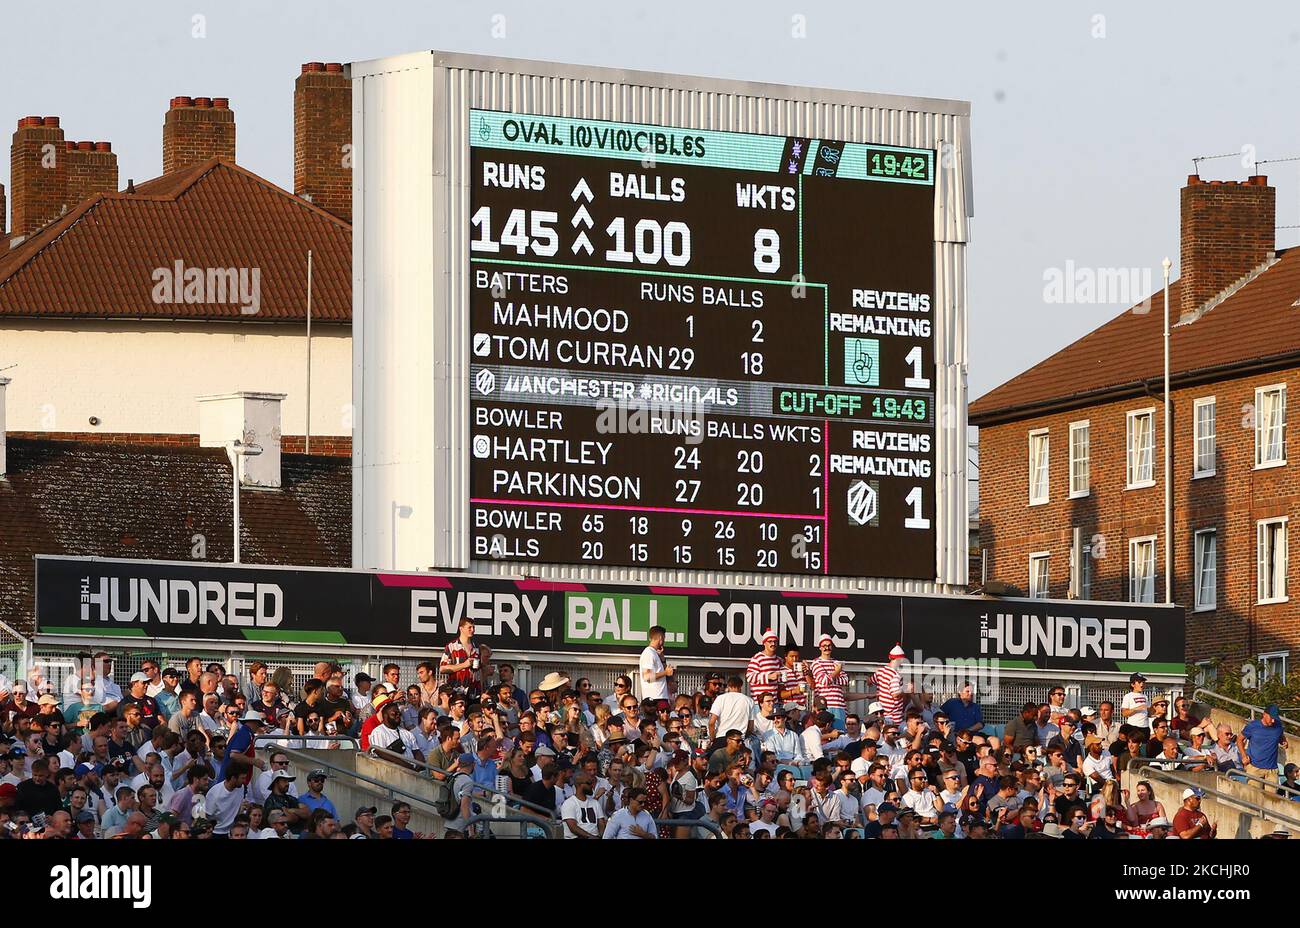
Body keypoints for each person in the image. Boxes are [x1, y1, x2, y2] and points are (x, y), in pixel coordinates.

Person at [1240, 704, 1288, 788]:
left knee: (1272, 798)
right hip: (1255, 768)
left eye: (1275, 718)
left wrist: (1284, 742)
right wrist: (1243, 755)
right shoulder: (1253, 726)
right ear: (1264, 714)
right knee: (1255, 796)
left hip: (1272, 770)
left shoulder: (1278, 726)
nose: (1273, 721)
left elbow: (1281, 737)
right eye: (1271, 718)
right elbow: (1239, 740)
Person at [440, 616, 487, 697]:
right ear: (461, 628)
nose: (472, 630)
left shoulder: (476, 648)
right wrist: (464, 665)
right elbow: (442, 668)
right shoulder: (452, 646)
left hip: (474, 692)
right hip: (456, 692)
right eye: (469, 627)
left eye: (473, 627)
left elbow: (479, 672)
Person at [561, 773, 605, 839]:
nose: (592, 785)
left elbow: (601, 823)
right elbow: (573, 828)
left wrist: (601, 836)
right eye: (589, 783)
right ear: (580, 785)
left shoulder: (595, 803)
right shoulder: (569, 803)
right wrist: (591, 837)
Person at [872, 644, 907, 726]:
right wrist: (906, 689)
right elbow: (895, 694)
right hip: (894, 716)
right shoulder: (895, 675)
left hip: (882, 713)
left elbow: (870, 681)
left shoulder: (880, 671)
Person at [746, 630, 784, 703]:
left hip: (774, 702)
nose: (773, 644)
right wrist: (768, 677)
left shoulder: (779, 660)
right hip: (759, 703)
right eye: (770, 641)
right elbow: (749, 676)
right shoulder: (757, 658)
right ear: (764, 643)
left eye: (775, 641)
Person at [639, 625, 674, 702]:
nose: (664, 641)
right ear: (661, 638)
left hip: (660, 696)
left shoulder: (655, 653)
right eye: (664, 638)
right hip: (654, 698)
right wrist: (665, 672)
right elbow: (647, 677)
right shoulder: (649, 653)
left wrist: (662, 659)